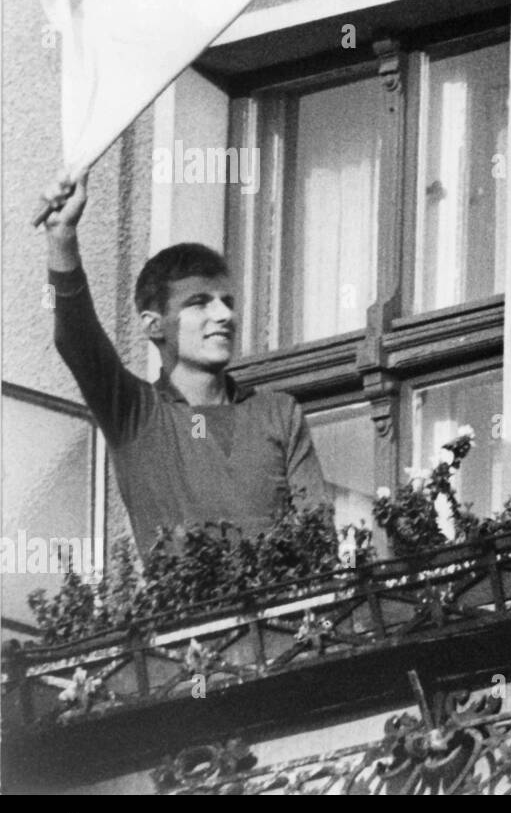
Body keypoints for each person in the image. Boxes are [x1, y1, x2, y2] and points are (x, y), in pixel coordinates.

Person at [42, 173, 327, 554]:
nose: (224, 314)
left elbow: (318, 536)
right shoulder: (137, 415)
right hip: (187, 613)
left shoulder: (278, 414)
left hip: (283, 613)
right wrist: (61, 238)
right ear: (153, 325)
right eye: (199, 303)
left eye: (227, 301)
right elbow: (74, 337)